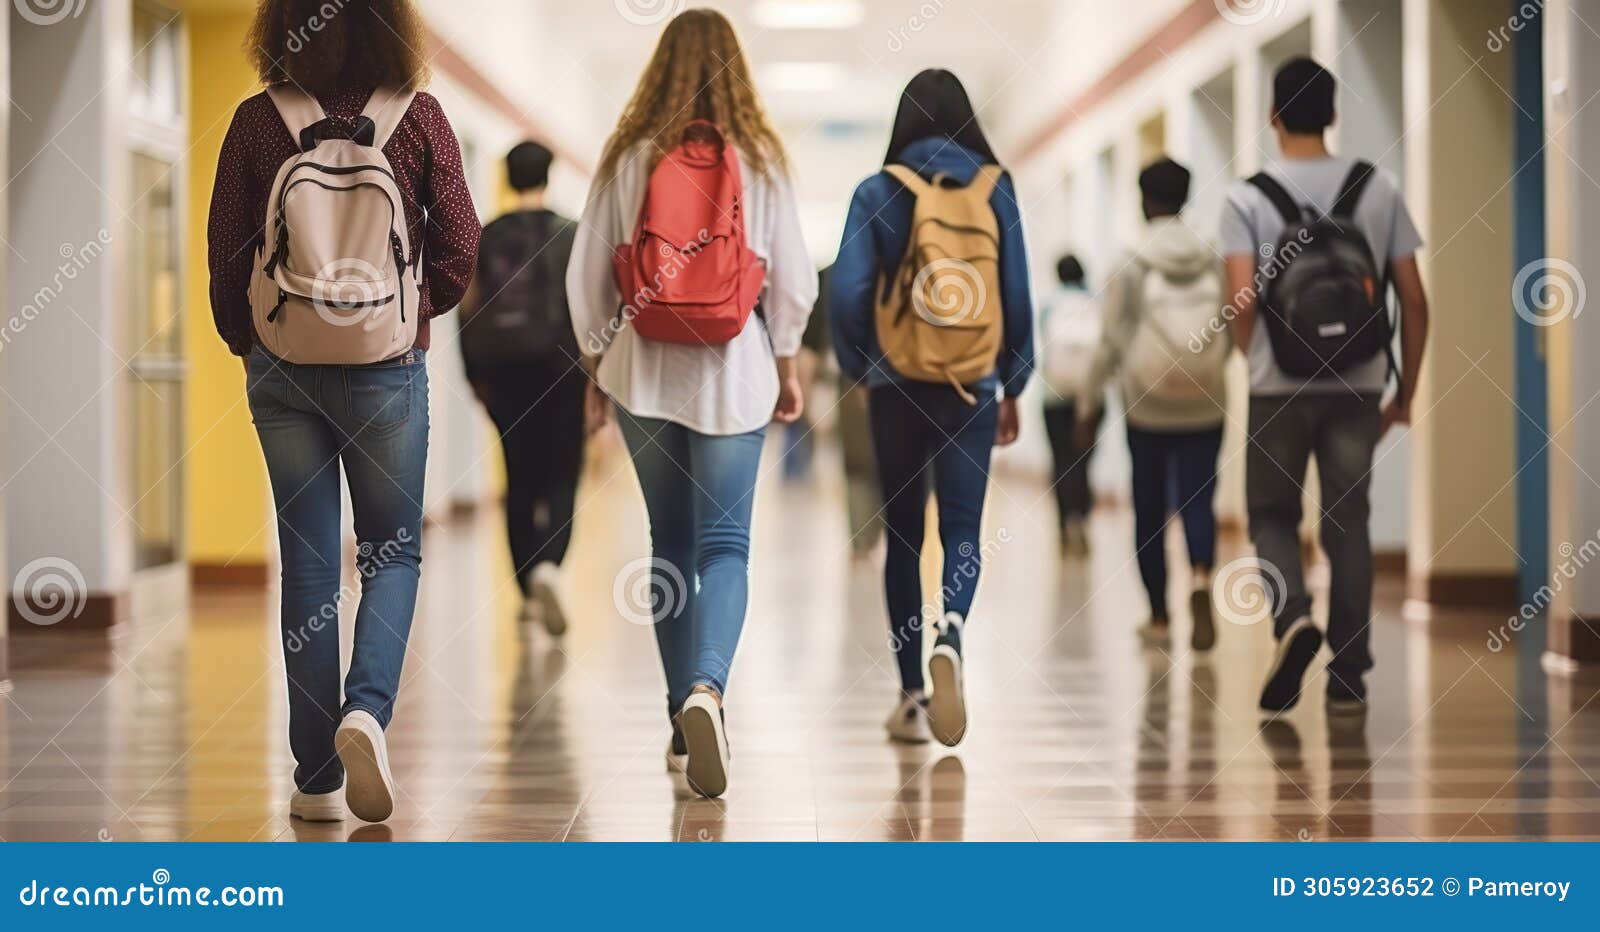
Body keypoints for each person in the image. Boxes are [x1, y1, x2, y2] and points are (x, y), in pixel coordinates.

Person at [208, 0, 479, 823]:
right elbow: (463, 242)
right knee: (393, 552)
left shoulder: (259, 120)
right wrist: (409, 312)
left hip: (283, 365)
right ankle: (367, 710)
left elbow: (227, 250)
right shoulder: (419, 116)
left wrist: (248, 339)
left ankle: (316, 776)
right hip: (388, 368)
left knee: (312, 565)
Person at [566, 8, 816, 799]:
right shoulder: (761, 159)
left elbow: (585, 278)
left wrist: (597, 362)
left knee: (668, 544)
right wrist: (786, 363)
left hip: (644, 369)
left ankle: (681, 714)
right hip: (736, 371)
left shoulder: (629, 155)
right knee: (726, 547)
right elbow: (793, 278)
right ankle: (711, 688)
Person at [830, 68, 1035, 747]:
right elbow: (1015, 292)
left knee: (904, 537)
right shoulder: (995, 187)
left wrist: (861, 366)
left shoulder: (877, 189)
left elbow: (850, 292)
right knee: (963, 528)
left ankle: (913, 694)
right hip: (971, 386)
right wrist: (1015, 381)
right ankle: (952, 625)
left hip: (895, 386)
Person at [1220, 57, 1429, 717]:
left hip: (1277, 385)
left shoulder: (1246, 198)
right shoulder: (1379, 188)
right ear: (1333, 114)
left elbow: (1241, 298)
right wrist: (1406, 392)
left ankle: (1292, 622)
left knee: (1273, 516)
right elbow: (1415, 301)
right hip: (1359, 383)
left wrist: (1251, 357)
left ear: (1273, 116)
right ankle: (1351, 675)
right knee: (1349, 524)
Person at [1077, 158, 1230, 652]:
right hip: (1207, 400)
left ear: (1145, 200)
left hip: (1146, 406)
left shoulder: (1130, 260)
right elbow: (1232, 319)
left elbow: (1110, 339)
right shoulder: (1214, 254)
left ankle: (1160, 617)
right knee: (1199, 499)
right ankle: (1202, 576)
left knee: (1149, 509)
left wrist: (1087, 402)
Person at [458, 141, 584, 637]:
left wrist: (475, 374)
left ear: (508, 179)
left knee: (519, 478)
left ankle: (529, 589)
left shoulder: (486, 237)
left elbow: (466, 308)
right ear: (548, 177)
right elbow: (592, 309)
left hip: (504, 371)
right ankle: (550, 564)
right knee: (562, 476)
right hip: (563, 368)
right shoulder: (572, 235)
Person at [1037, 254, 1102, 556]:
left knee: (1061, 460)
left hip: (1055, 395)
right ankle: (1083, 519)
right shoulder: (1095, 302)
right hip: (1090, 398)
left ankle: (1065, 524)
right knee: (1084, 460)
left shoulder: (1050, 305)